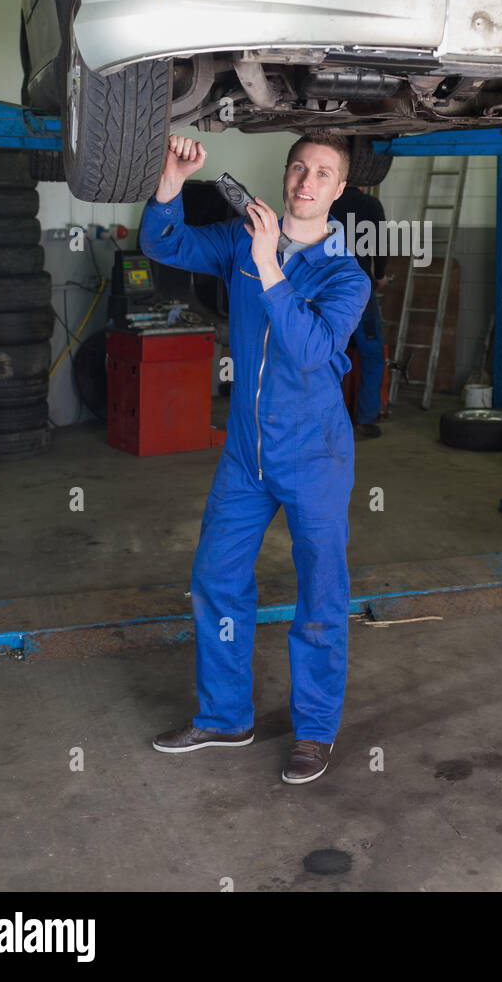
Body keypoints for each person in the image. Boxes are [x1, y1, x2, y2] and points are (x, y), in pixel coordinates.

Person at [139, 132, 371, 784]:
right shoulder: (244, 239)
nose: (305, 181)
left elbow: (307, 348)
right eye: (299, 167)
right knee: (216, 576)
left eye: (322, 173)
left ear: (338, 190)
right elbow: (164, 244)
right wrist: (170, 183)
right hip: (247, 450)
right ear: (287, 171)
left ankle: (315, 731)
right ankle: (223, 715)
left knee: (320, 593)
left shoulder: (345, 276)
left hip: (314, 453)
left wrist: (270, 265)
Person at [331, 181, 389, 439]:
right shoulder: (370, 204)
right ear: (364, 182)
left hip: (327, 289)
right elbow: (381, 243)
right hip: (359, 290)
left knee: (330, 355)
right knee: (372, 356)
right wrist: (380, 275)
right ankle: (365, 421)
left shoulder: (327, 200)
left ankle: (331, 420)